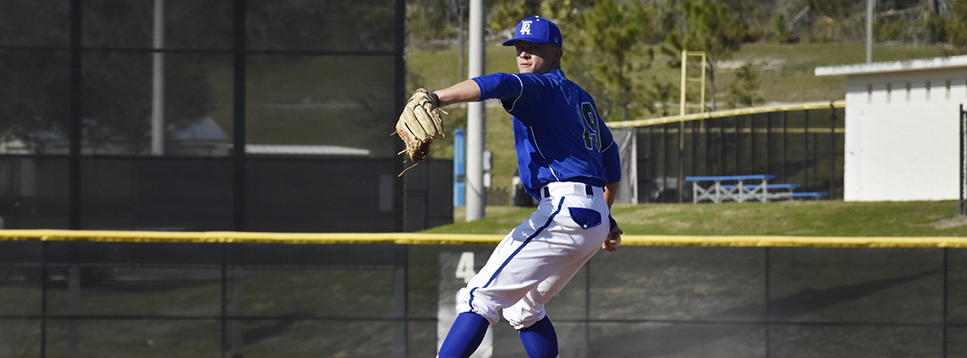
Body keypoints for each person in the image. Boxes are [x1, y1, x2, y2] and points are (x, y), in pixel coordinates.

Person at [429, 16, 623, 358]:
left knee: (479, 296)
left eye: (534, 48)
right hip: (591, 218)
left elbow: (499, 83)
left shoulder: (540, 87)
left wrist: (436, 98)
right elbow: (610, 156)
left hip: (564, 209)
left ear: (556, 54)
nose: (524, 54)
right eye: (519, 48)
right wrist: (606, 215)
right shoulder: (581, 98)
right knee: (524, 309)